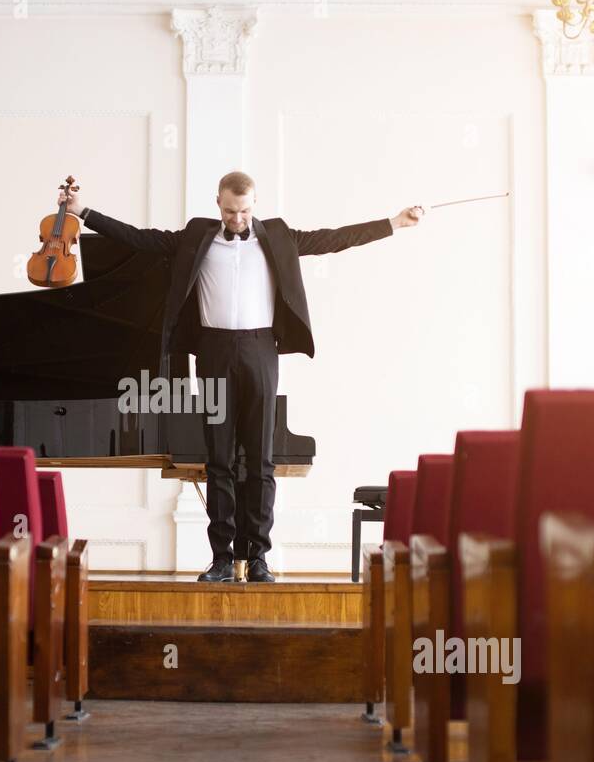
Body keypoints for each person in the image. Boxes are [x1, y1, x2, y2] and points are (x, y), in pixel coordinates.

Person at [60, 171, 424, 582]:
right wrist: (83, 212)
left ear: (255, 204)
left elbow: (333, 239)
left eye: (246, 210)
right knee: (219, 460)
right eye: (231, 211)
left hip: (260, 351)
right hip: (213, 352)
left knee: (260, 462)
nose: (238, 219)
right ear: (218, 202)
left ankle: (258, 559)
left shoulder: (280, 236)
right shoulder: (196, 235)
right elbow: (139, 237)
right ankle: (220, 559)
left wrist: (393, 223)